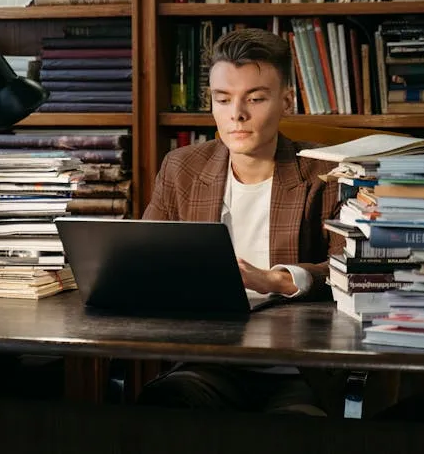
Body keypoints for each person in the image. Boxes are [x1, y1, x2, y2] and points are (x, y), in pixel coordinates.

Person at [137, 27, 345, 415]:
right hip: (208, 363)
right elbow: (147, 259)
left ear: (286, 100)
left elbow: (352, 270)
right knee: (164, 407)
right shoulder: (181, 168)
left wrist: (276, 280)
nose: (237, 114)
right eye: (223, 99)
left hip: (297, 371)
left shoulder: (326, 173)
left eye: (255, 98)